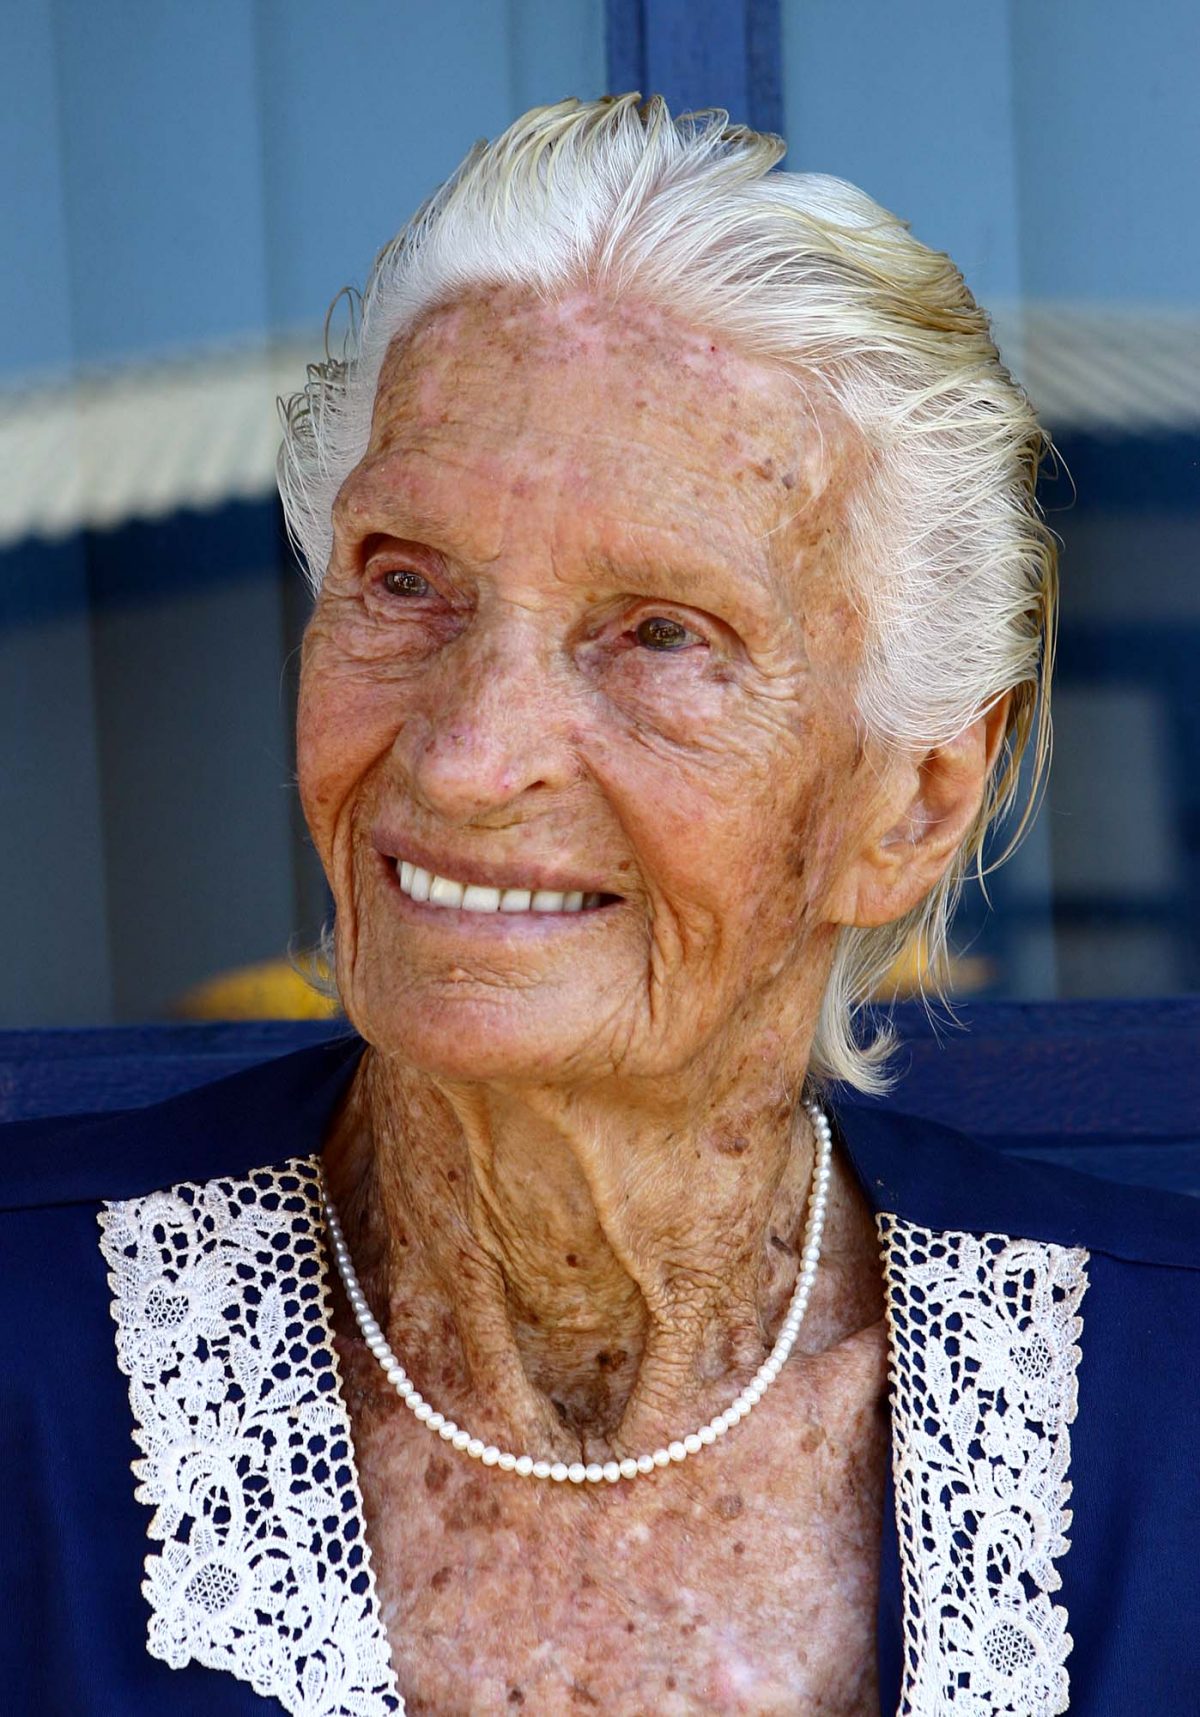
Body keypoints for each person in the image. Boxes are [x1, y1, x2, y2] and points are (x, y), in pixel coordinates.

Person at [2, 94, 1197, 1717]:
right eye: (404, 581)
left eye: (658, 633)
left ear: (910, 802)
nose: (470, 755)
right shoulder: (32, 1354)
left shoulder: (1164, 1417)